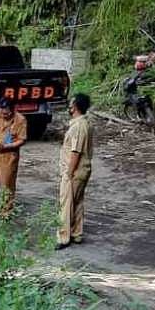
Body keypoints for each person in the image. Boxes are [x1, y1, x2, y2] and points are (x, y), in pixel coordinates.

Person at [56, 93, 94, 250]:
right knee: (77, 202)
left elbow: (75, 152)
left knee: (66, 204)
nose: (69, 106)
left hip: (75, 171)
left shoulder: (78, 126)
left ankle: (63, 237)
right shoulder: (85, 123)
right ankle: (77, 233)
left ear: (75, 107)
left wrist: (69, 173)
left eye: (71, 103)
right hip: (83, 169)